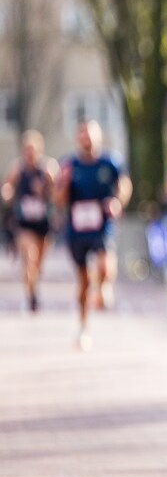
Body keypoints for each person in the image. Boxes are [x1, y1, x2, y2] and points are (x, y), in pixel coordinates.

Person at [55, 121, 131, 350]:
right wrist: (64, 185)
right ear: (77, 139)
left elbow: (124, 185)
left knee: (104, 264)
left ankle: (105, 286)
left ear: (98, 137)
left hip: (101, 224)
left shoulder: (111, 161)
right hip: (77, 228)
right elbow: (58, 200)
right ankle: (83, 327)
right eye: (82, 135)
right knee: (83, 281)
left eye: (90, 135)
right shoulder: (68, 164)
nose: (86, 139)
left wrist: (118, 202)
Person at [2, 130, 58, 313]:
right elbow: (8, 187)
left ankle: (33, 286)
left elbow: (59, 193)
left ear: (39, 150)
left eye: (33, 150)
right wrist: (8, 194)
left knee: (38, 264)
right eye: (26, 150)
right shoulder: (18, 169)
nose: (30, 154)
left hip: (43, 223)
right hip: (24, 223)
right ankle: (31, 296)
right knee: (29, 258)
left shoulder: (48, 169)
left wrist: (45, 190)